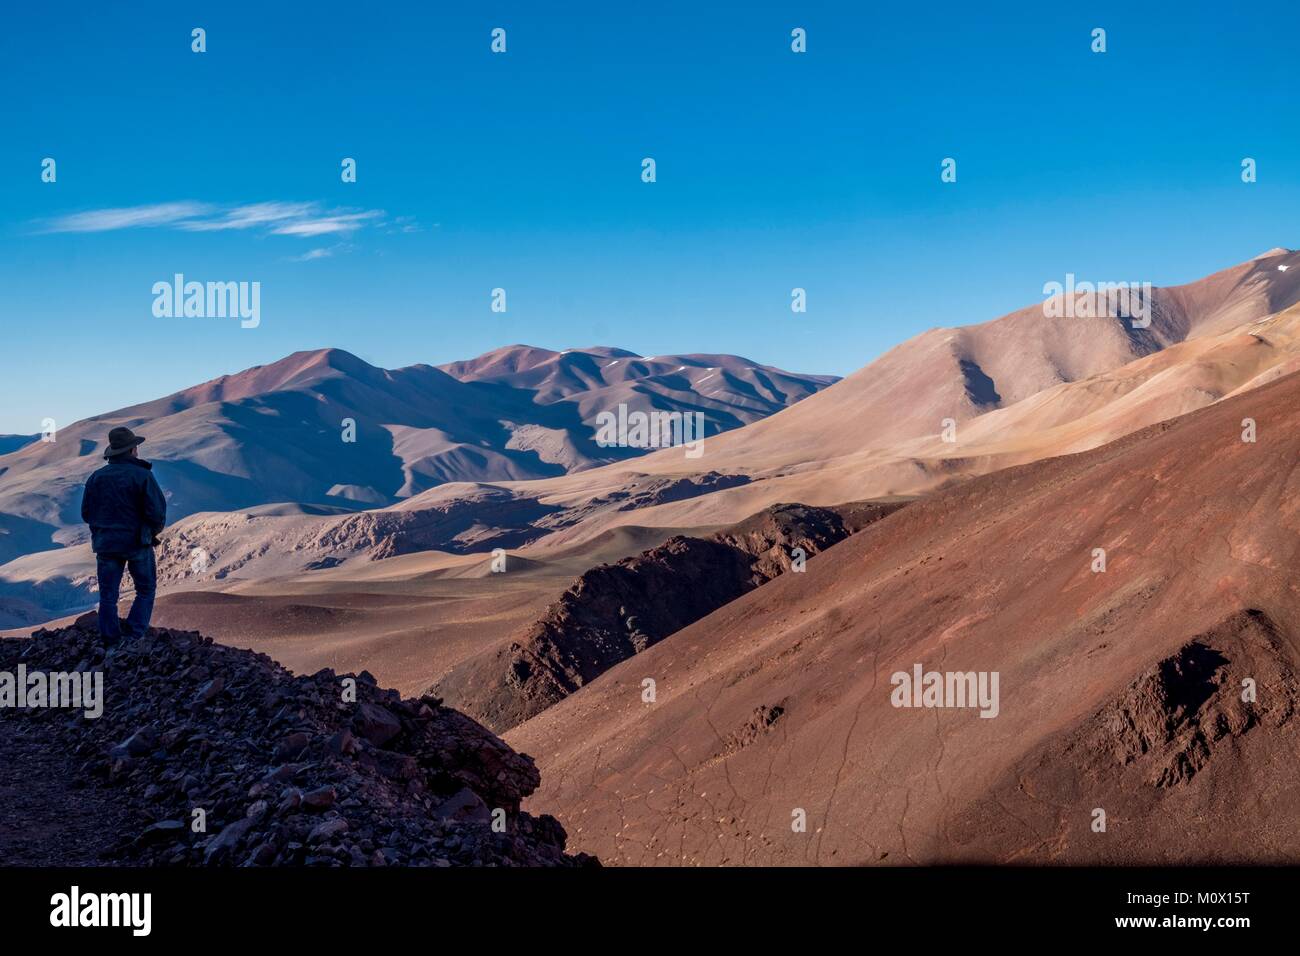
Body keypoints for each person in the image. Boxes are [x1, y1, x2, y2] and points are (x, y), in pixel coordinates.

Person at [80, 426, 167, 640]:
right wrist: (149, 533)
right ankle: (135, 634)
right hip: (137, 543)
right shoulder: (142, 475)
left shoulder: (96, 478)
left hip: (106, 544)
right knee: (145, 589)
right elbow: (157, 512)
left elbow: (86, 513)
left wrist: (102, 529)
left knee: (108, 596)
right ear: (131, 450)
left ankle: (110, 638)